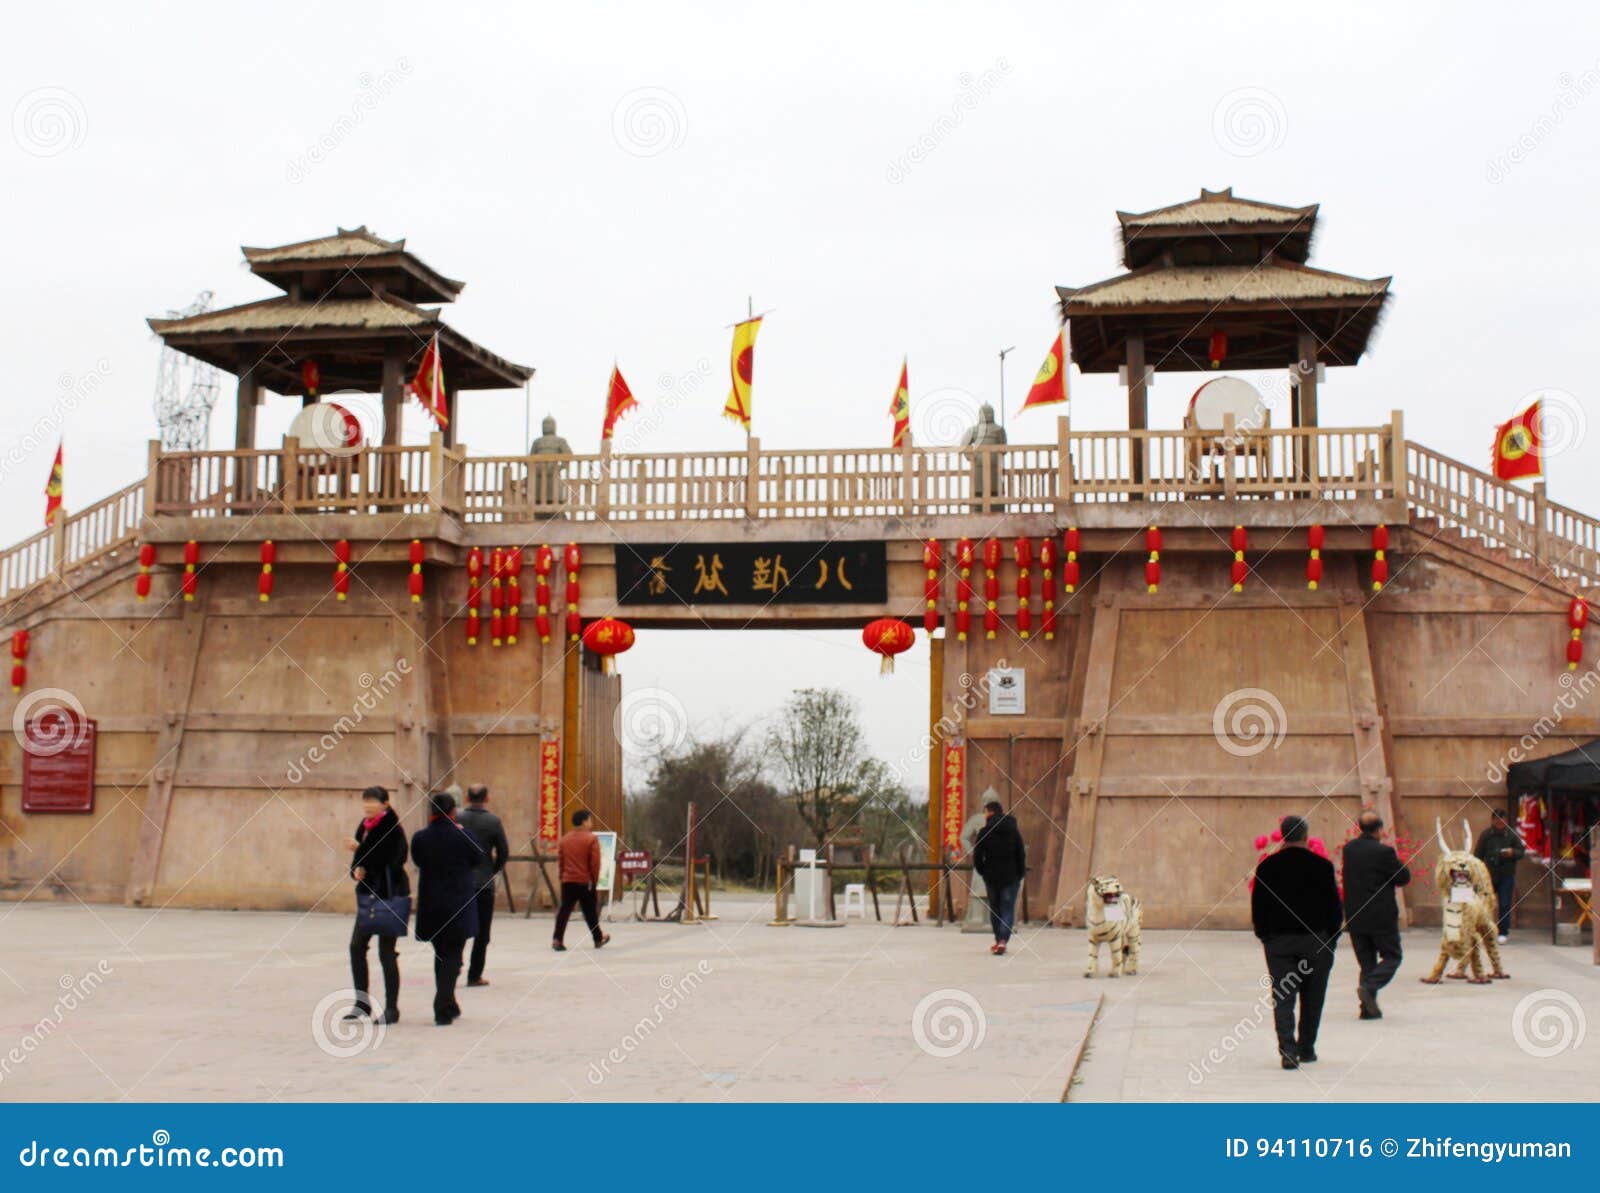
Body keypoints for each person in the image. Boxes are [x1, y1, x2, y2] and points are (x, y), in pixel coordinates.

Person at [1251, 814, 1343, 1069]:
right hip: (1316, 941)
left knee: (1283, 996)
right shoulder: (1322, 866)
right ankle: (1307, 1048)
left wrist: (1265, 936)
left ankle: (1288, 1051)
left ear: (1282, 835)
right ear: (1305, 836)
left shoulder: (1267, 867)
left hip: (1279, 942)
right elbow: (1335, 907)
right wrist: (1332, 938)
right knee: (1313, 997)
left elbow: (1258, 907)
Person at [410, 791, 484, 1025]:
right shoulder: (464, 836)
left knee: (441, 953)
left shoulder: (420, 838)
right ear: (453, 811)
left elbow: (418, 861)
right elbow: (478, 859)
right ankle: (442, 1004)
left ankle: (449, 1001)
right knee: (453, 954)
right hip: (458, 904)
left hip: (432, 904)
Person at [345, 786, 408, 1024]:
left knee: (386, 954)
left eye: (373, 802)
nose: (368, 806)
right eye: (365, 802)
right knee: (356, 947)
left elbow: (393, 861)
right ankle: (362, 1003)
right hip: (367, 897)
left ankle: (392, 1008)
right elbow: (359, 862)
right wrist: (356, 870)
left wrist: (360, 850)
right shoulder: (365, 826)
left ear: (385, 804)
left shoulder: (393, 829)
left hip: (388, 897)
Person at [1340, 810, 1411, 1020]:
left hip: (1356, 916)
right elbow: (1403, 877)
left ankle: (1367, 1009)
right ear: (1379, 830)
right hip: (1380, 917)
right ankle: (1370, 987)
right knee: (1392, 956)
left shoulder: (1349, 849)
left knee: (1367, 963)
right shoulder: (1384, 852)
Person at [458, 783, 509, 987]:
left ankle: (453, 966)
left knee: (459, 927)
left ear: (466, 798)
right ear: (487, 798)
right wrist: (493, 869)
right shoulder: (493, 821)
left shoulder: (458, 818)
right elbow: (503, 852)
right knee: (482, 932)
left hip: (460, 882)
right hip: (484, 883)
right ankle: (474, 975)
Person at [971, 799, 1027, 956]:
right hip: (1011, 876)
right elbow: (1020, 854)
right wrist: (1020, 873)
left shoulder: (984, 832)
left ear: (989, 812)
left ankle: (998, 940)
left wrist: (983, 871)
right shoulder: (1014, 831)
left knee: (995, 909)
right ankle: (1003, 940)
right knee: (1007, 908)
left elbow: (977, 856)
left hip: (992, 877)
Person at [553, 809, 610, 951]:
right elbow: (595, 863)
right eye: (590, 820)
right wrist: (595, 880)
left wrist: (562, 876)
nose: (591, 823)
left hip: (568, 880)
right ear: (584, 821)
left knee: (564, 911)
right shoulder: (591, 839)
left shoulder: (565, 839)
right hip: (585, 881)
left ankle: (557, 939)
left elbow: (561, 861)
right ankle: (598, 938)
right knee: (590, 912)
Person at [1474, 809, 1525, 943]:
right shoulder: (1486, 835)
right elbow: (1477, 855)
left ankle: (1503, 932)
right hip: (1489, 875)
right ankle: (1484, 930)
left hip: (1506, 875)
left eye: (1502, 820)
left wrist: (1512, 852)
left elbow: (1521, 852)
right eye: (1497, 820)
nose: (1500, 823)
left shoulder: (1512, 835)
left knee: (1505, 904)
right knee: (1486, 903)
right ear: (1492, 821)